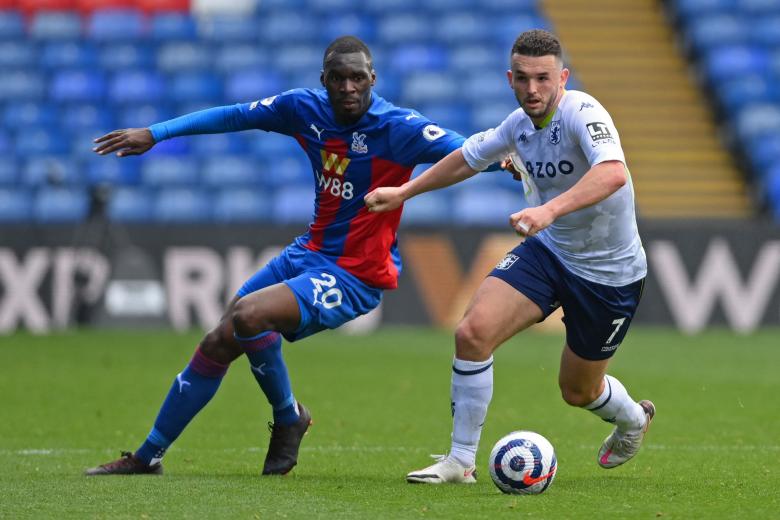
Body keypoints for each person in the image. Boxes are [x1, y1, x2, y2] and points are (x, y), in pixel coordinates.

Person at [85, 35, 473, 476]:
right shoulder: (303, 109)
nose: (348, 87)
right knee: (219, 339)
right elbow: (233, 116)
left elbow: (469, 151)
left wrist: (512, 159)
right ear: (323, 80)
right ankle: (147, 456)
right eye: (338, 78)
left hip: (355, 274)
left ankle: (288, 417)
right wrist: (155, 133)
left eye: (357, 78)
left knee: (250, 315)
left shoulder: (399, 128)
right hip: (307, 251)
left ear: (373, 79)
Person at [364, 29, 654, 485]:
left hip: (609, 274)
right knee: (472, 333)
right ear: (510, 79)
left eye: (542, 79)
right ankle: (461, 461)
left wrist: (548, 209)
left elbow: (613, 173)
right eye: (522, 79)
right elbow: (465, 159)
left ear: (563, 77)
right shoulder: (517, 126)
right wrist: (404, 191)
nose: (532, 89)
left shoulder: (583, 111)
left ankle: (633, 419)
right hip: (550, 252)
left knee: (578, 391)